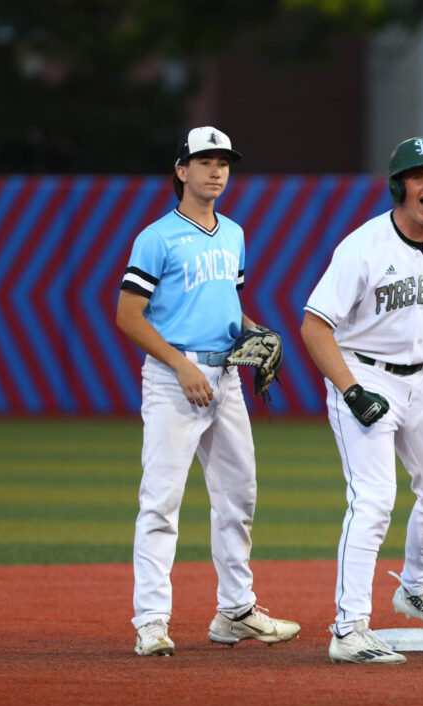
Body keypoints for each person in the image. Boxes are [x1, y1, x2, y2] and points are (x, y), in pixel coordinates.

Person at [300, 137, 423, 665]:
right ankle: (349, 628)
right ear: (399, 186)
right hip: (362, 372)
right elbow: (315, 326)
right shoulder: (363, 247)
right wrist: (350, 389)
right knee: (374, 499)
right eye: (417, 176)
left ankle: (414, 588)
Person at [116, 126, 300, 656]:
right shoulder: (156, 237)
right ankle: (151, 621)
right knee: (161, 501)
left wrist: (255, 333)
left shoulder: (233, 233)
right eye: (204, 161)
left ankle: (235, 612)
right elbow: (128, 316)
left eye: (223, 161)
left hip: (226, 377)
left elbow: (222, 307)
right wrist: (178, 364)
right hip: (177, 380)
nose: (216, 170)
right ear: (181, 171)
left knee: (239, 496)